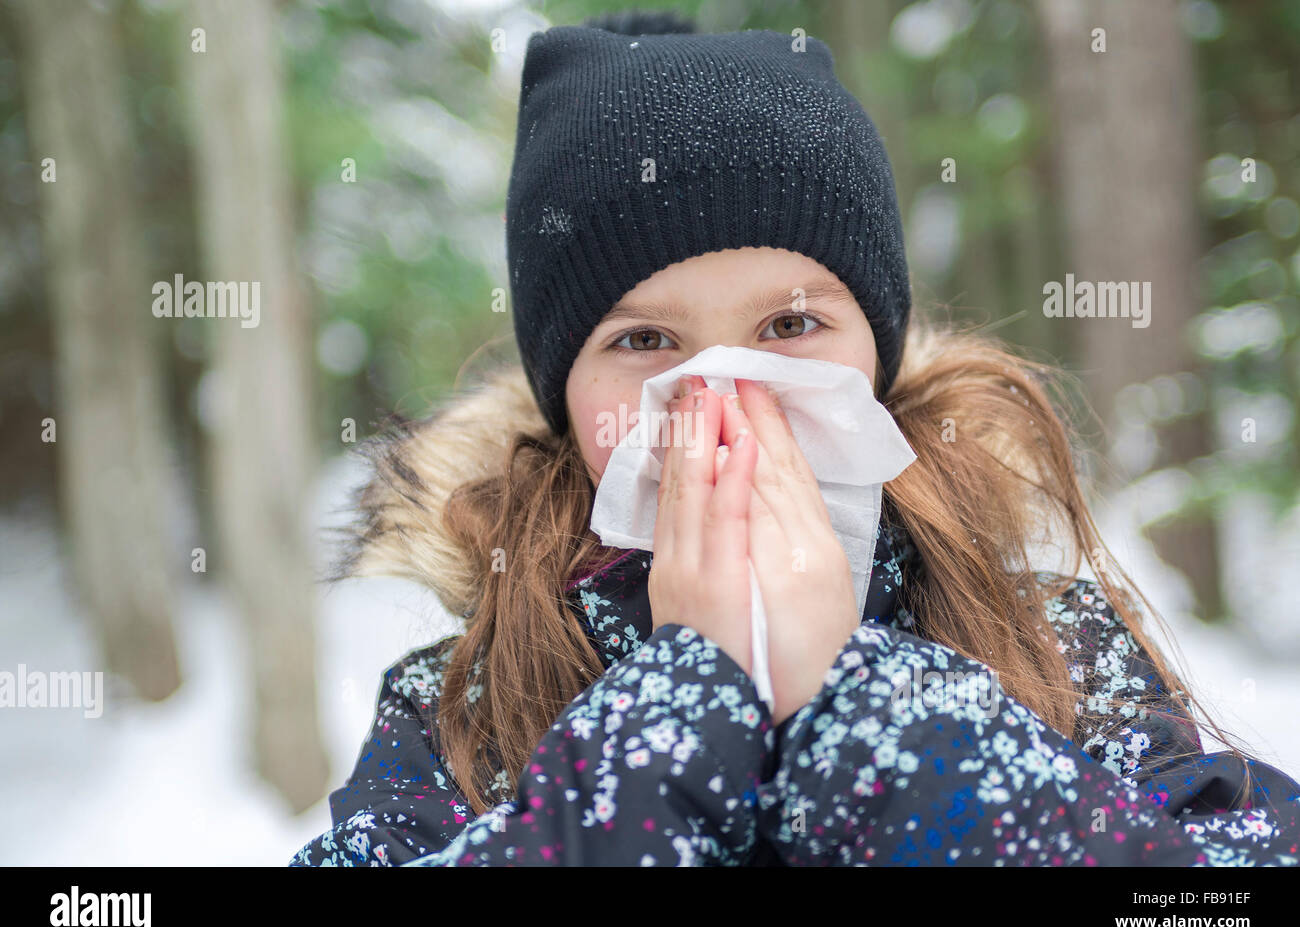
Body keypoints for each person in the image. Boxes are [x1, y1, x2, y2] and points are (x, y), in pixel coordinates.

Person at [289, 10, 1300, 866]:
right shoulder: (460, 701)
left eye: (790, 325)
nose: (732, 394)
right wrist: (681, 700)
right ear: (563, 398)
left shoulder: (1046, 639)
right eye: (645, 339)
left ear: (877, 352)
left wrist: (857, 700)